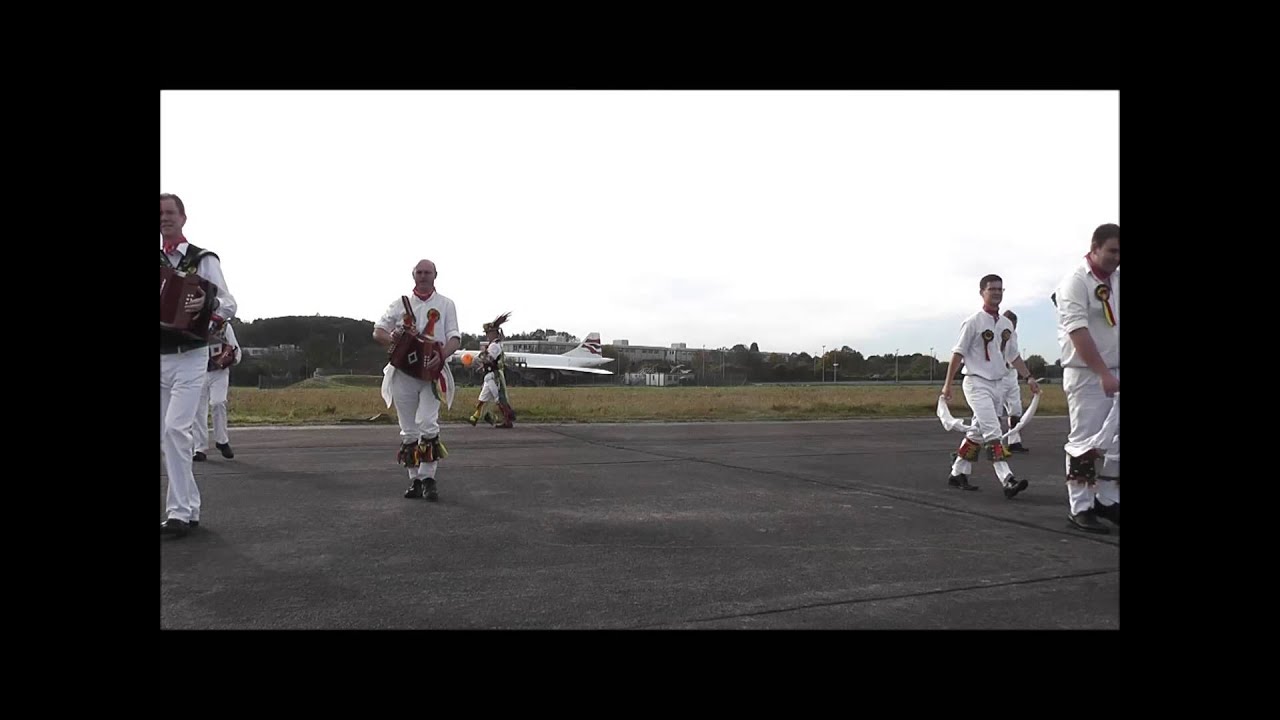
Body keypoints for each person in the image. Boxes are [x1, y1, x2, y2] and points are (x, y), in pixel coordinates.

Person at [161, 193, 236, 538]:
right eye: (160, 214)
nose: (164, 218)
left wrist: (211, 313)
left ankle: (178, 511)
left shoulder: (202, 260)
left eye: (170, 213)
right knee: (168, 435)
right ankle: (188, 508)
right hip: (161, 356)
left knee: (177, 429)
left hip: (191, 355)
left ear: (183, 218)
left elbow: (229, 301)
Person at [941, 274, 1042, 497]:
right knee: (993, 431)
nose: (996, 292)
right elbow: (958, 353)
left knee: (978, 432)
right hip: (976, 383)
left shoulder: (1006, 325)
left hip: (998, 384)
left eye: (1000, 289)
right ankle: (1007, 478)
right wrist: (948, 385)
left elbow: (1013, 355)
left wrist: (1029, 378)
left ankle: (957, 472)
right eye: (992, 289)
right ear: (982, 292)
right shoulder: (973, 322)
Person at [373, 259, 461, 502]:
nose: (423, 276)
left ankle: (428, 477)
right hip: (403, 373)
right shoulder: (400, 304)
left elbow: (454, 338)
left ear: (435, 275)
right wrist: (394, 340)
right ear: (414, 275)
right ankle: (415, 480)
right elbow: (377, 331)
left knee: (427, 422)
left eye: (427, 272)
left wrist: (441, 355)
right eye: (419, 272)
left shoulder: (446, 304)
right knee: (408, 428)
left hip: (432, 374)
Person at [1052, 224, 1120, 533]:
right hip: (1086, 375)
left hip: (1115, 370)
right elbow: (1077, 331)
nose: (1117, 258)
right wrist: (1103, 372)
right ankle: (1080, 506)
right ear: (1094, 248)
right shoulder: (1075, 282)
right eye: (1112, 251)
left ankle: (1107, 499)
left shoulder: (1117, 280)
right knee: (1085, 443)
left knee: (1116, 443)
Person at [193, 322, 242, 461]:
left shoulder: (224, 326)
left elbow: (235, 347)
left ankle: (222, 441)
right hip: (198, 371)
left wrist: (232, 359)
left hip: (219, 372)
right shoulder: (192, 323)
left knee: (218, 403)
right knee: (198, 410)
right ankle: (199, 448)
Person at [469, 312, 516, 429]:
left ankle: (508, 419)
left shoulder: (494, 346)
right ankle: (475, 417)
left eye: (489, 333)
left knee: (499, 398)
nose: (487, 335)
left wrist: (478, 358)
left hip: (494, 376)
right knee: (482, 397)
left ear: (494, 332)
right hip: (489, 375)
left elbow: (489, 359)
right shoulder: (493, 345)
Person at [999, 310, 1030, 453]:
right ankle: (995, 444)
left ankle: (1014, 441)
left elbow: (1014, 355)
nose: (1013, 328)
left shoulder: (1013, 335)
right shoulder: (995, 333)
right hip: (997, 376)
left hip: (1011, 375)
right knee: (995, 412)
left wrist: (1027, 376)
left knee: (1016, 409)